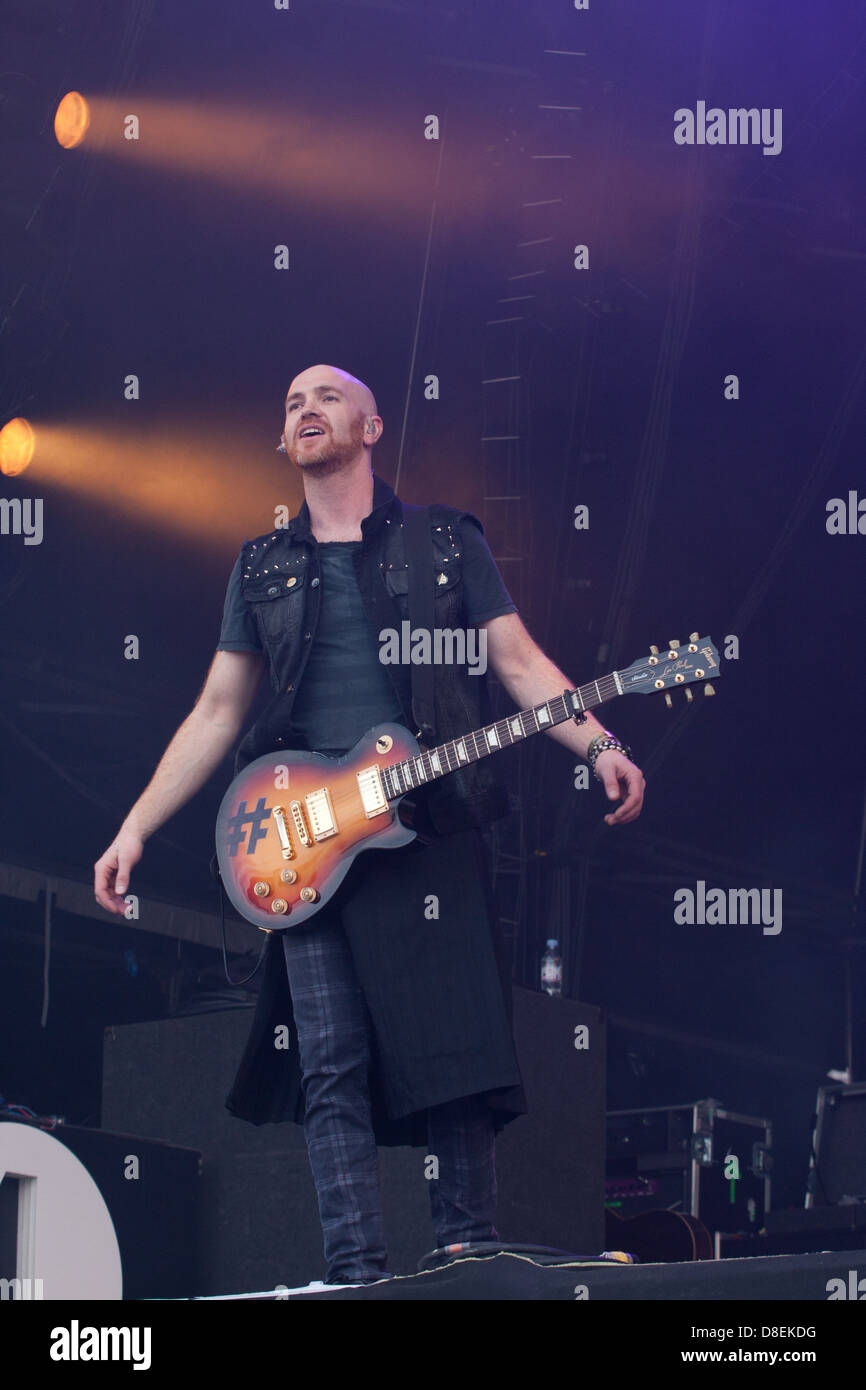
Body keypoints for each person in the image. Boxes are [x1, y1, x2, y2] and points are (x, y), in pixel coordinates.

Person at [94, 364, 645, 1288]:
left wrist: (599, 744)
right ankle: (354, 1275)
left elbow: (517, 661)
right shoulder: (261, 564)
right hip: (304, 838)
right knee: (329, 1060)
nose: (305, 408)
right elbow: (218, 711)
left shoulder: (444, 539)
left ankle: (468, 1258)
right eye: (291, 403)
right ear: (283, 441)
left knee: (460, 1048)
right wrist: (134, 828)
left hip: (429, 821)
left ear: (372, 426)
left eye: (326, 397)